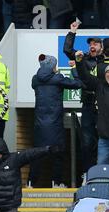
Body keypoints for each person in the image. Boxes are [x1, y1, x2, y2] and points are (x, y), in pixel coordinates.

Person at [27, 54, 82, 188]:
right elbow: (78, 83)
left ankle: (30, 182)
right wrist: (74, 68)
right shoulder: (57, 79)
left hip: (39, 125)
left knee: (37, 154)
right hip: (55, 124)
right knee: (59, 154)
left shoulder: (35, 80)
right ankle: (56, 182)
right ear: (52, 66)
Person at [63, 22, 103, 181]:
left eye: (95, 43)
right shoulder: (83, 58)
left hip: (105, 106)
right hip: (87, 104)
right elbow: (67, 50)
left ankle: (105, 173)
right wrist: (72, 32)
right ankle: (88, 173)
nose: (92, 46)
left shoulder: (107, 59)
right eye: (90, 44)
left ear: (101, 46)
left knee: (105, 141)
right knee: (87, 142)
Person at [75, 52, 109, 165]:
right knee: (101, 170)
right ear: (104, 75)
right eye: (108, 72)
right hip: (105, 140)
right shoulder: (99, 86)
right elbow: (84, 76)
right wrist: (79, 62)